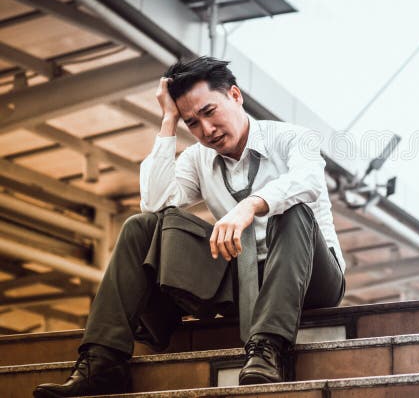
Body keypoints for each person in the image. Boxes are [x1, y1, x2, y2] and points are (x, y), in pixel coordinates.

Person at [34, 56, 345, 397]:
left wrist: (249, 206)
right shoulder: (199, 157)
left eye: (210, 112)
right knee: (142, 228)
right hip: (241, 283)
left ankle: (268, 349)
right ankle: (103, 361)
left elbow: (308, 180)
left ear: (235, 96)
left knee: (293, 210)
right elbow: (154, 203)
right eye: (192, 123)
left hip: (312, 280)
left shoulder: (293, 138)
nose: (206, 130)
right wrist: (168, 120)